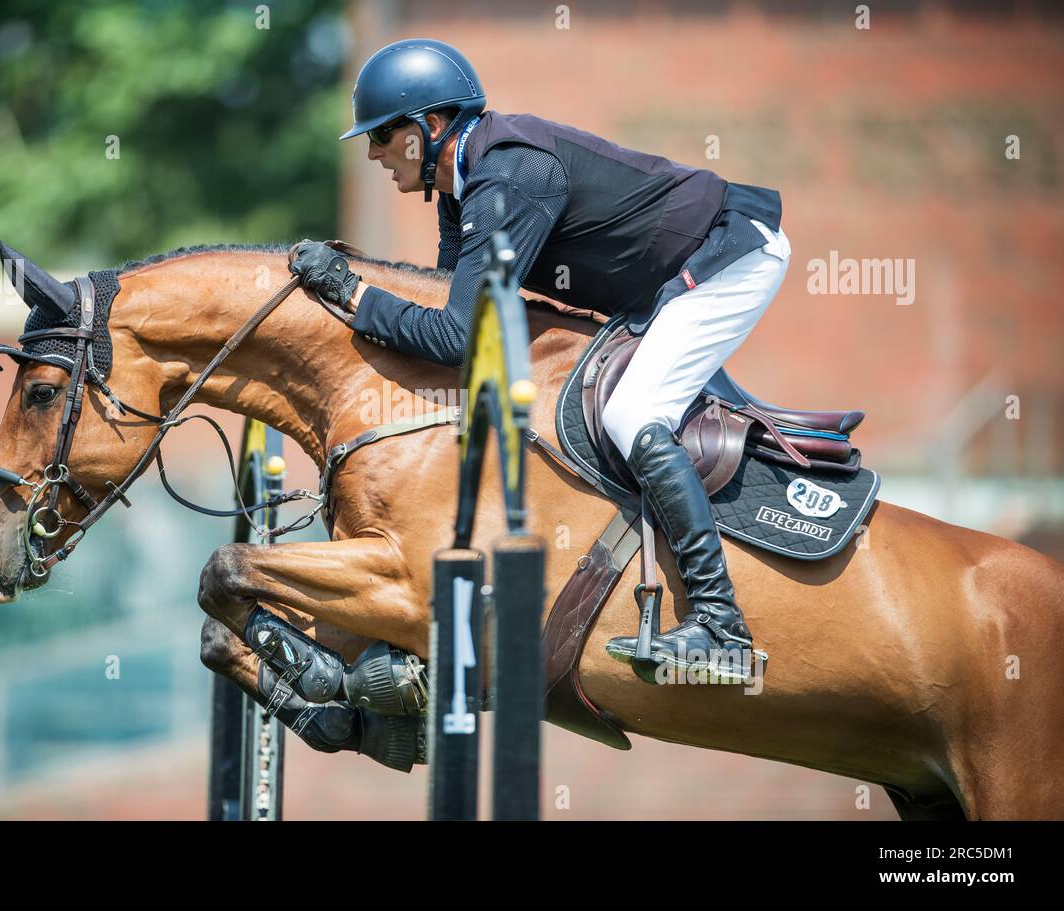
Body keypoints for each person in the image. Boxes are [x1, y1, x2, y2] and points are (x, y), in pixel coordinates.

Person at [288, 38, 792, 684]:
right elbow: (446, 320)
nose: (372, 153)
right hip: (664, 281)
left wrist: (353, 293)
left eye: (382, 136)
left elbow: (455, 337)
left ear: (429, 128)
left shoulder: (507, 175)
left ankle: (723, 626)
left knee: (634, 410)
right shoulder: (461, 191)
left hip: (731, 254)